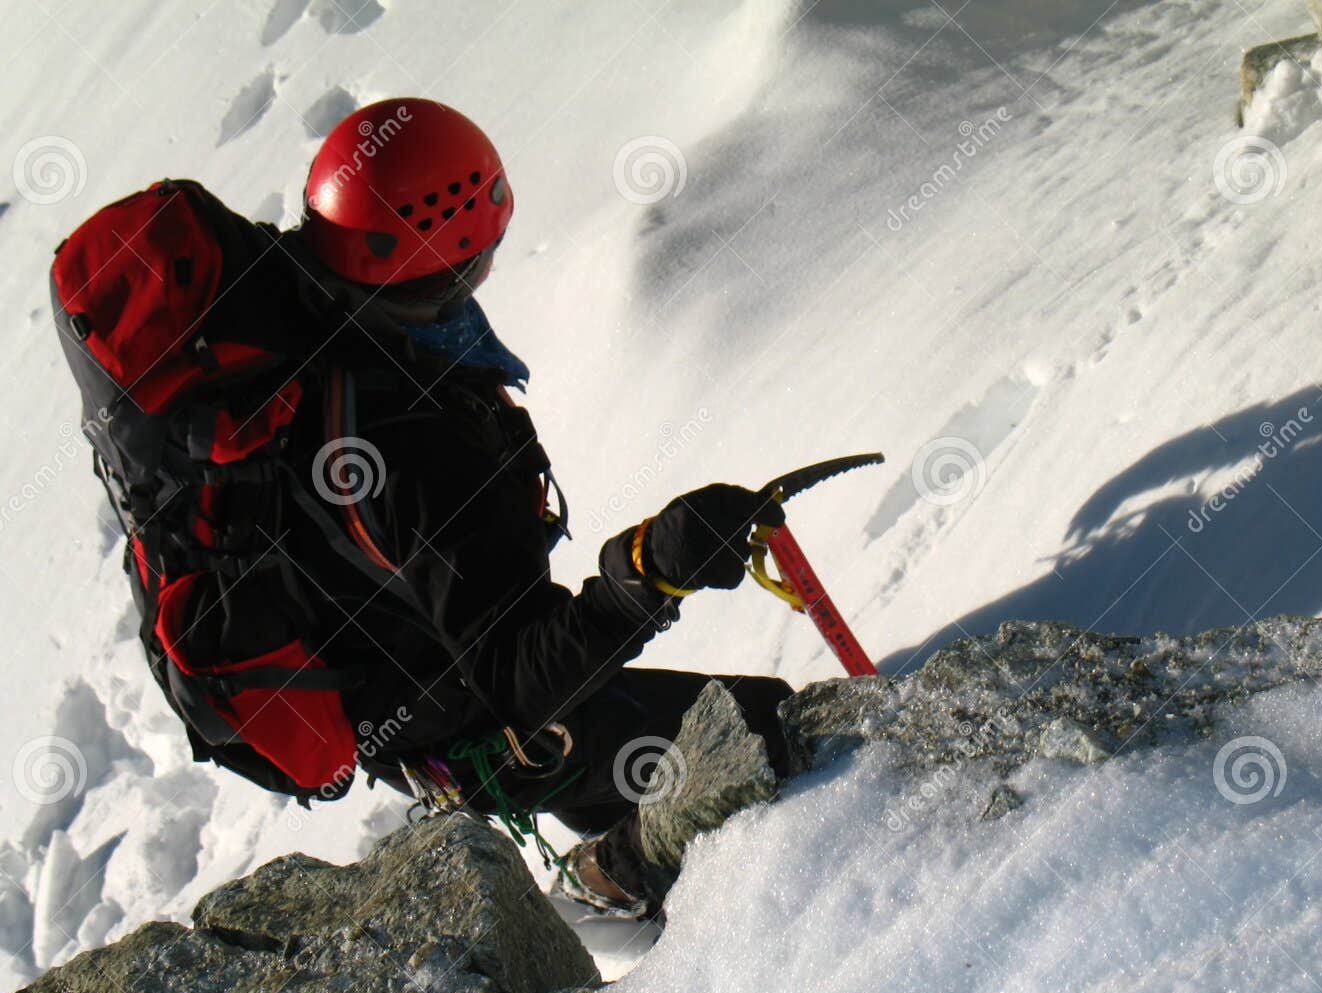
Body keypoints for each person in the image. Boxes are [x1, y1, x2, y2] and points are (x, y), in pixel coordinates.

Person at [55, 98, 792, 919]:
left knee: (614, 740)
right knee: (770, 739)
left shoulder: (294, 308)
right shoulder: (409, 447)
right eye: (481, 253)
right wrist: (649, 572)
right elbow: (521, 678)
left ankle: (620, 852)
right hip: (465, 721)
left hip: (402, 682)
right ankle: (620, 881)